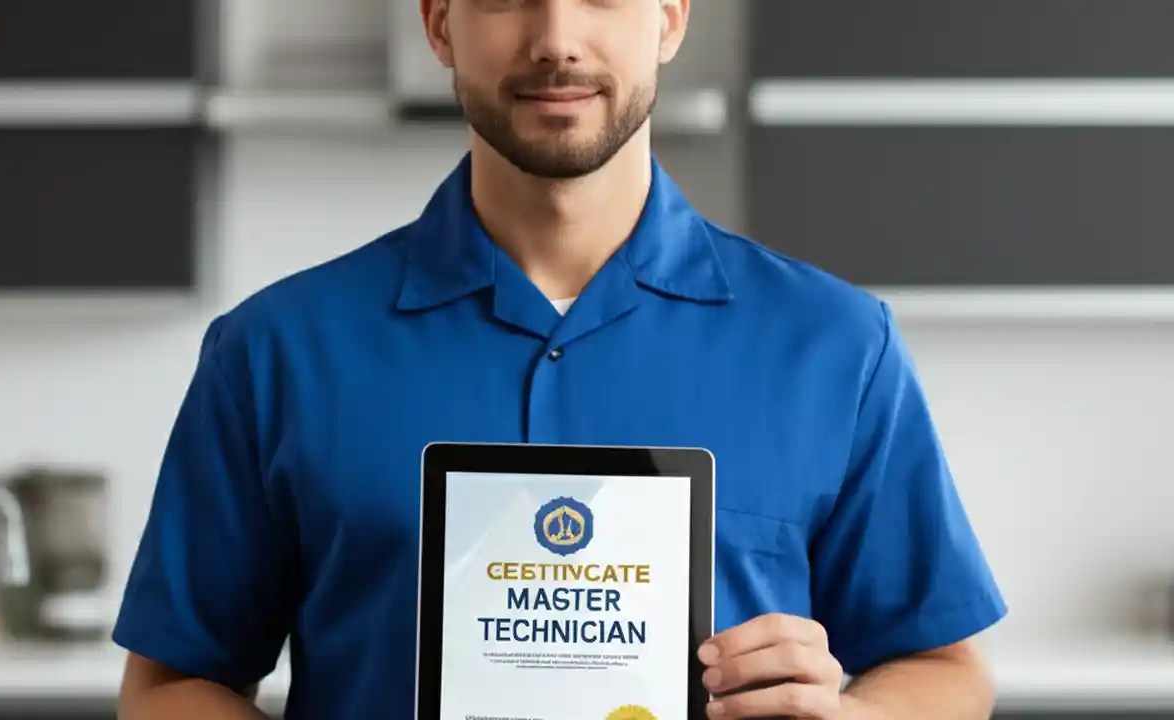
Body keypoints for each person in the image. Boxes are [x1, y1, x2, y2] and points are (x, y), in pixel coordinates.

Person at [114, 1, 1007, 718]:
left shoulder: (835, 344)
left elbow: (945, 671)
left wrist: (848, 715)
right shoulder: (273, 352)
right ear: (440, 24)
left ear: (670, 18)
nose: (555, 39)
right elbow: (170, 684)